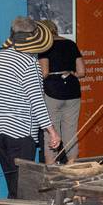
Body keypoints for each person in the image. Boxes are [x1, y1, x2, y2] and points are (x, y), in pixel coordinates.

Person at [0, 17, 59, 196]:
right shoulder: (29, 63)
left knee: (12, 180)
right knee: (24, 184)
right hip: (19, 130)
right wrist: (51, 131)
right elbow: (37, 101)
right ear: (34, 37)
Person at [37, 19, 84, 164]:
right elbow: (82, 72)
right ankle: (71, 164)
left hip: (52, 91)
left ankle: (51, 168)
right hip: (72, 90)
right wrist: (69, 73)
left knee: (51, 132)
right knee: (70, 131)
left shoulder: (45, 47)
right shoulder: (71, 44)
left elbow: (43, 73)